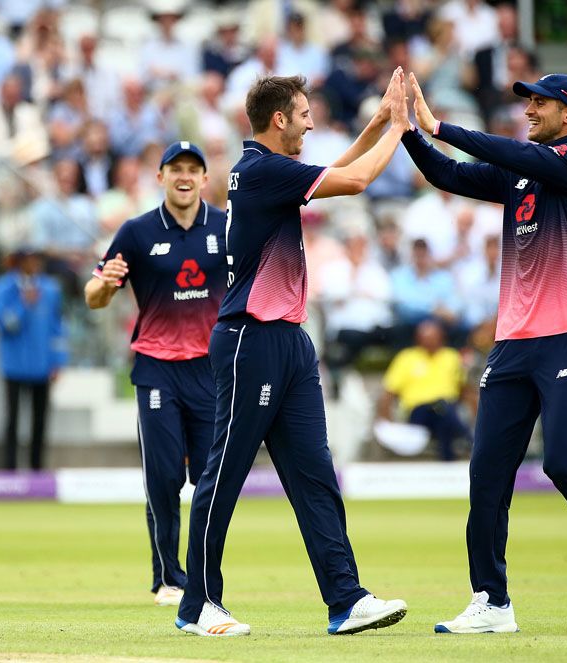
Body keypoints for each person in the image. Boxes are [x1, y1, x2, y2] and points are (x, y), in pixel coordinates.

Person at [175, 70, 411, 638]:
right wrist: (400, 129)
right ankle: (197, 605)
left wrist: (379, 121)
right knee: (224, 473)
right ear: (278, 119)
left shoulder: (272, 171)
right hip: (251, 338)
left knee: (315, 476)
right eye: (304, 115)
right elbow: (355, 181)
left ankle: (346, 599)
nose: (310, 124)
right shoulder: (261, 170)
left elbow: (334, 172)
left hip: (289, 341)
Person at [400, 71, 567, 633]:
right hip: (513, 343)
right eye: (528, 102)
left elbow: (508, 151)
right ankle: (492, 601)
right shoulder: (517, 174)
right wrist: (405, 130)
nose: (529, 110)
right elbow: (446, 174)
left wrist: (438, 124)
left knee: (564, 462)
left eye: (540, 103)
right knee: (487, 475)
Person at [84, 141, 227, 608]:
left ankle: (203, 577)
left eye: (192, 169)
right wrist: (106, 285)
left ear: (204, 178)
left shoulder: (227, 227)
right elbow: (94, 296)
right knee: (164, 478)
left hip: (211, 370)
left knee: (210, 479)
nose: (184, 177)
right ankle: (169, 578)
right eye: (175, 169)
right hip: (157, 368)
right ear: (161, 176)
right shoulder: (137, 231)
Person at [0, 248, 67, 470]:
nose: (35, 264)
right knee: (12, 419)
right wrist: (24, 304)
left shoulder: (50, 288)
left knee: (40, 420)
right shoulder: (3, 287)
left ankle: (36, 468)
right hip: (13, 365)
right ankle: (10, 469)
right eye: (30, 259)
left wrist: (58, 361)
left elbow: (58, 327)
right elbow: (4, 324)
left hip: (42, 366)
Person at [377, 319, 470, 461]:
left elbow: (465, 390)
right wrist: (385, 422)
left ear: (441, 338)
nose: (428, 342)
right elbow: (389, 392)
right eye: (425, 338)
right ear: (417, 338)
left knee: (443, 414)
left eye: (432, 338)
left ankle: (450, 455)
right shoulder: (406, 358)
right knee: (442, 412)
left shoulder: (451, 357)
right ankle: (466, 442)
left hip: (447, 408)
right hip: (417, 412)